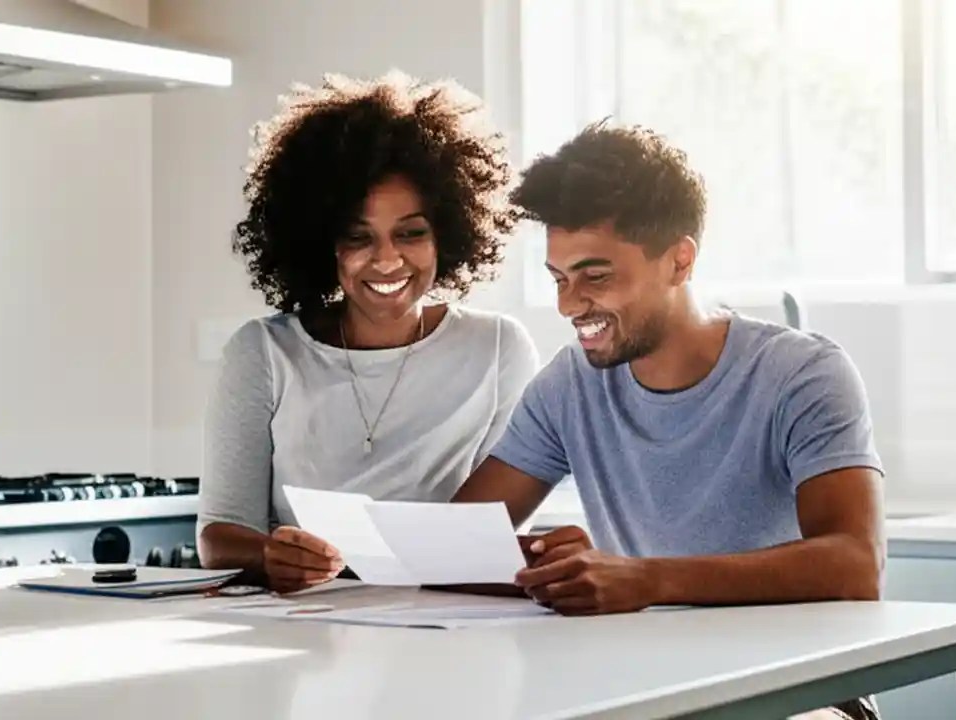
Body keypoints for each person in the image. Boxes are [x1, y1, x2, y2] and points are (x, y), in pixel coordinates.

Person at [452, 122, 885, 720]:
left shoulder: (802, 374)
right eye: (560, 279)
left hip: (806, 697)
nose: (570, 304)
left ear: (680, 261)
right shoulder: (568, 384)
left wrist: (646, 580)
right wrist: (540, 563)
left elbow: (855, 564)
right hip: (657, 691)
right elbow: (456, 537)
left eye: (595, 276)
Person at [198, 72, 538, 594]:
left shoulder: (496, 350)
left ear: (447, 233)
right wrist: (272, 555)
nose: (386, 260)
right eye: (358, 236)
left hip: (443, 622)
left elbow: (491, 532)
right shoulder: (264, 352)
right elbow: (219, 536)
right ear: (321, 243)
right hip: (301, 625)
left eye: (411, 233)